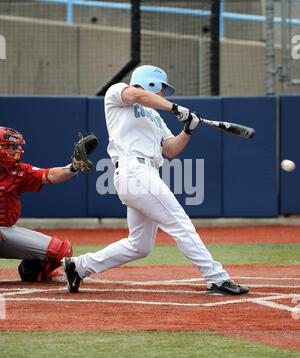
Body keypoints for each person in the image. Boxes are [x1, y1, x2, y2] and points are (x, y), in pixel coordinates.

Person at [62, 65, 249, 296]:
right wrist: (175, 108)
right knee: (180, 224)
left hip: (146, 173)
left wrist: (188, 130)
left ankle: (79, 266)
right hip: (133, 170)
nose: (164, 94)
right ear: (151, 83)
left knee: (140, 245)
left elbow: (170, 149)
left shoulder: (156, 117)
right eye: (162, 89)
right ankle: (217, 278)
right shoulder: (118, 92)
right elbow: (137, 95)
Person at [0, 126, 96, 282]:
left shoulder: (18, 171)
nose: (15, 151)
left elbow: (50, 174)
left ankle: (33, 272)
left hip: (5, 232)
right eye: (9, 147)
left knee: (61, 250)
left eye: (15, 147)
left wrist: (73, 167)